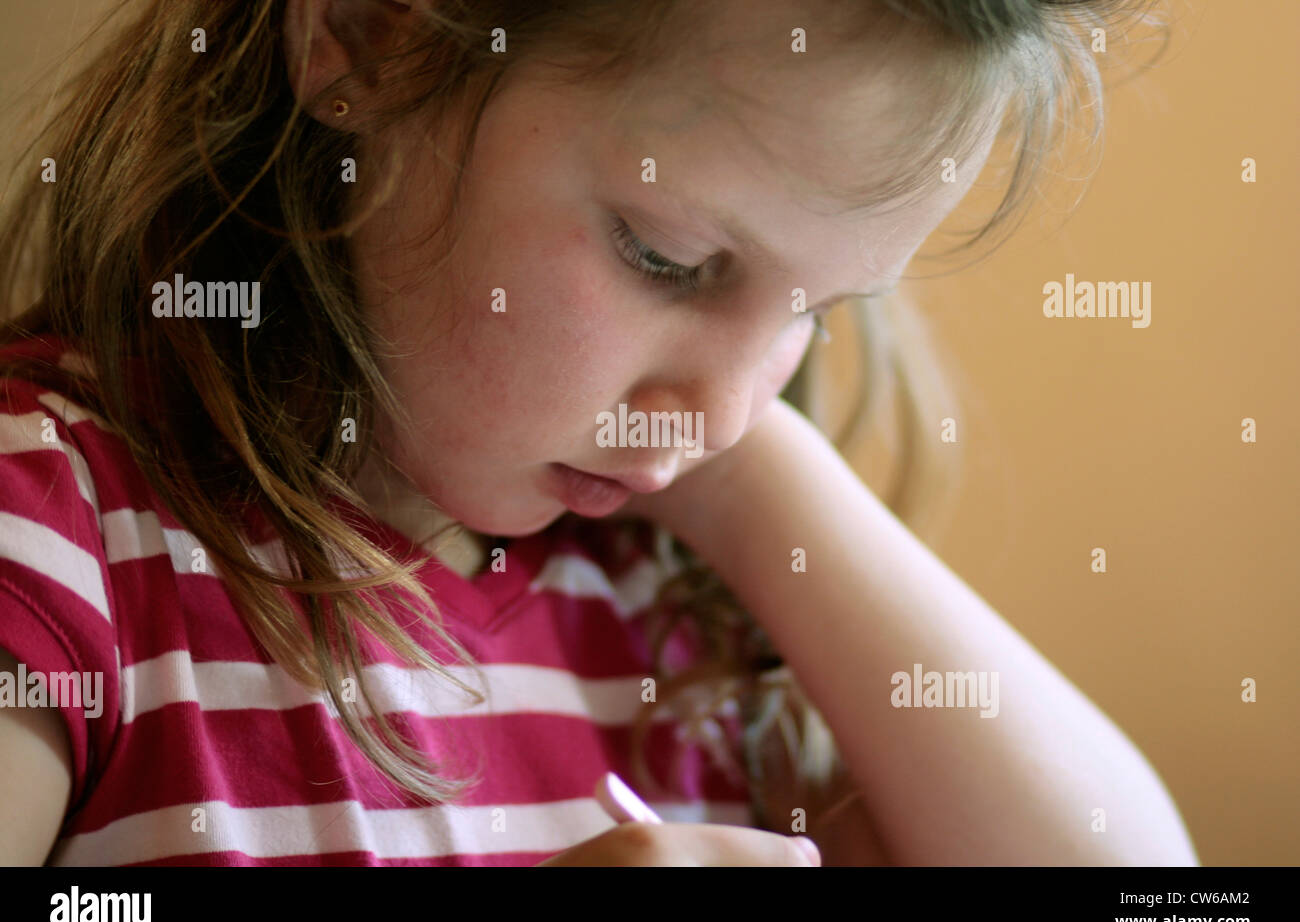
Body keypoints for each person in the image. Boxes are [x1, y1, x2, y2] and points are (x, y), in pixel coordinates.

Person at [0, 0, 1196, 866]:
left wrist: (754, 484)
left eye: (817, 311)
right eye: (666, 258)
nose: (726, 408)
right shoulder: (52, 531)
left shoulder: (678, 629)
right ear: (369, 32)